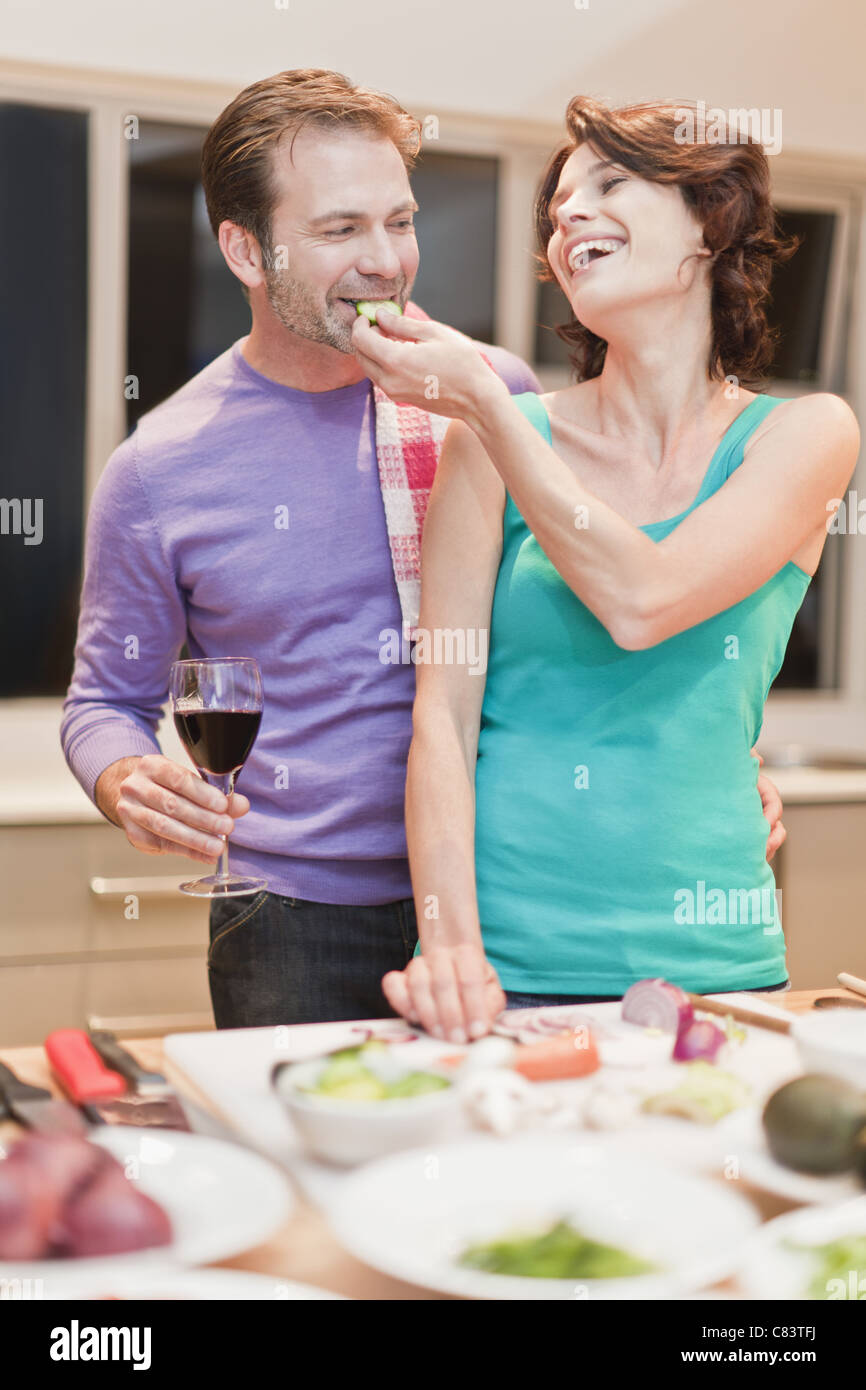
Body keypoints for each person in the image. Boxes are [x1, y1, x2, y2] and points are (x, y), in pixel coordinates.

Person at [348, 97, 860, 1044]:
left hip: (715, 971)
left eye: (610, 183)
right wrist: (448, 940)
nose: (568, 216)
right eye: (556, 209)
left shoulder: (803, 435)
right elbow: (444, 718)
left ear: (712, 222)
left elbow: (644, 600)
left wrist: (492, 412)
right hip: (507, 966)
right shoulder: (489, 446)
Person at [60, 69, 540, 1028]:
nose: (386, 260)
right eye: (339, 230)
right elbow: (105, 701)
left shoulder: (488, 396)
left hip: (506, 887)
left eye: (400, 221)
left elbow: (588, 626)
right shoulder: (161, 467)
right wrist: (126, 781)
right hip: (287, 920)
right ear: (245, 248)